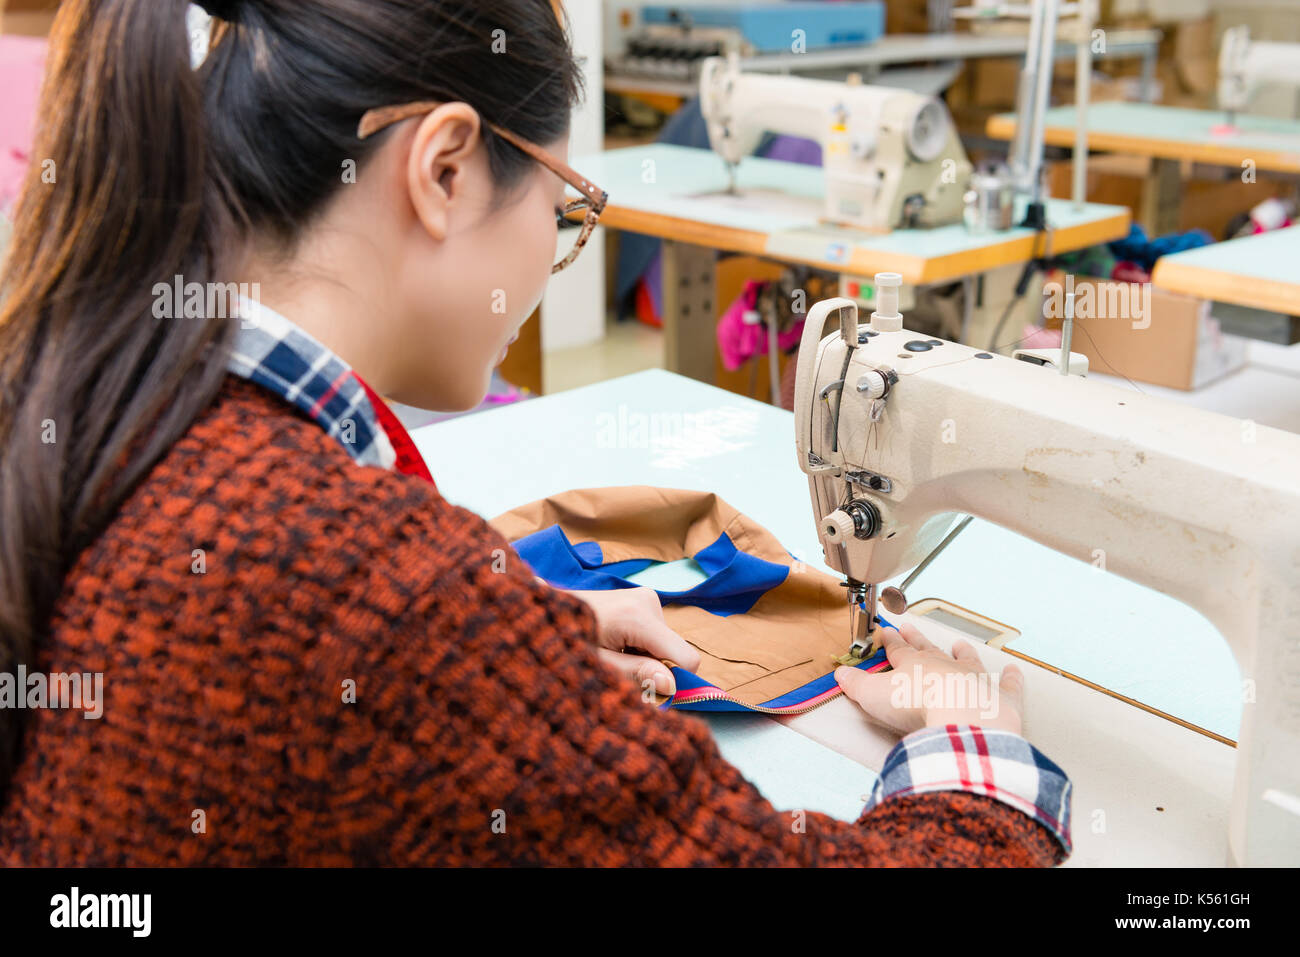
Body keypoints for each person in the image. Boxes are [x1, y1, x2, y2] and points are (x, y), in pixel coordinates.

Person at [0, 0, 1071, 866]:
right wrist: (972, 749)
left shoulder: (90, 397)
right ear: (447, 168)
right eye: (563, 210)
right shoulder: (348, 574)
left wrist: (501, 646)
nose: (554, 253)